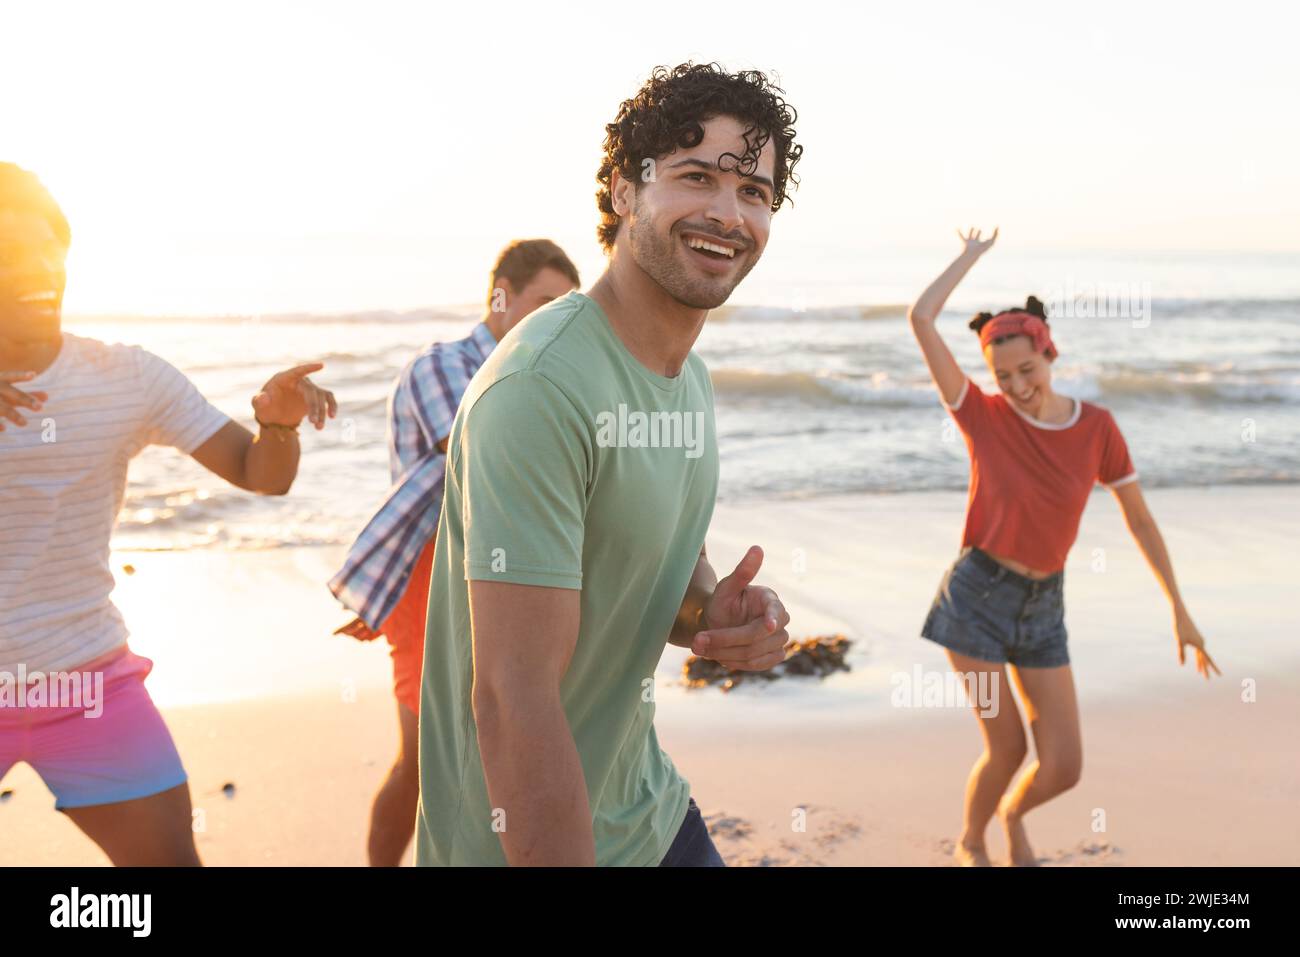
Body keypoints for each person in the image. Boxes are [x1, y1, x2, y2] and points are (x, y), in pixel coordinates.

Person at [415, 62, 804, 866]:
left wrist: (711, 616)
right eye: (697, 177)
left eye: (755, 193)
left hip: (647, 808)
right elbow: (512, 700)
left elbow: (651, 568)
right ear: (626, 190)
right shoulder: (539, 387)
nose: (728, 215)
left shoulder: (684, 374)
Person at [0, 162, 337, 865]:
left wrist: (277, 426)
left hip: (85, 682)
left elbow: (257, 473)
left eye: (45, 250)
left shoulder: (125, 377)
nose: (34, 268)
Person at [908, 226, 1221, 867]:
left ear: (1050, 355)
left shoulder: (1098, 429)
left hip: (1045, 606)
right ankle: (972, 841)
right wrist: (970, 257)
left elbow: (1140, 520)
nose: (1017, 386)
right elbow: (921, 318)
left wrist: (1179, 609)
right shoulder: (981, 415)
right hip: (975, 602)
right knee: (1006, 749)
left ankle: (1013, 815)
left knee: (1065, 765)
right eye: (1002, 375)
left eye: (1027, 370)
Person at [329, 238, 580, 866]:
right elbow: (477, 451)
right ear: (500, 296)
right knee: (423, 759)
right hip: (431, 577)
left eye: (567, 308)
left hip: (516, 575)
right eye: (544, 302)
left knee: (509, 748)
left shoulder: (551, 376)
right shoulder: (441, 366)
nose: (556, 318)